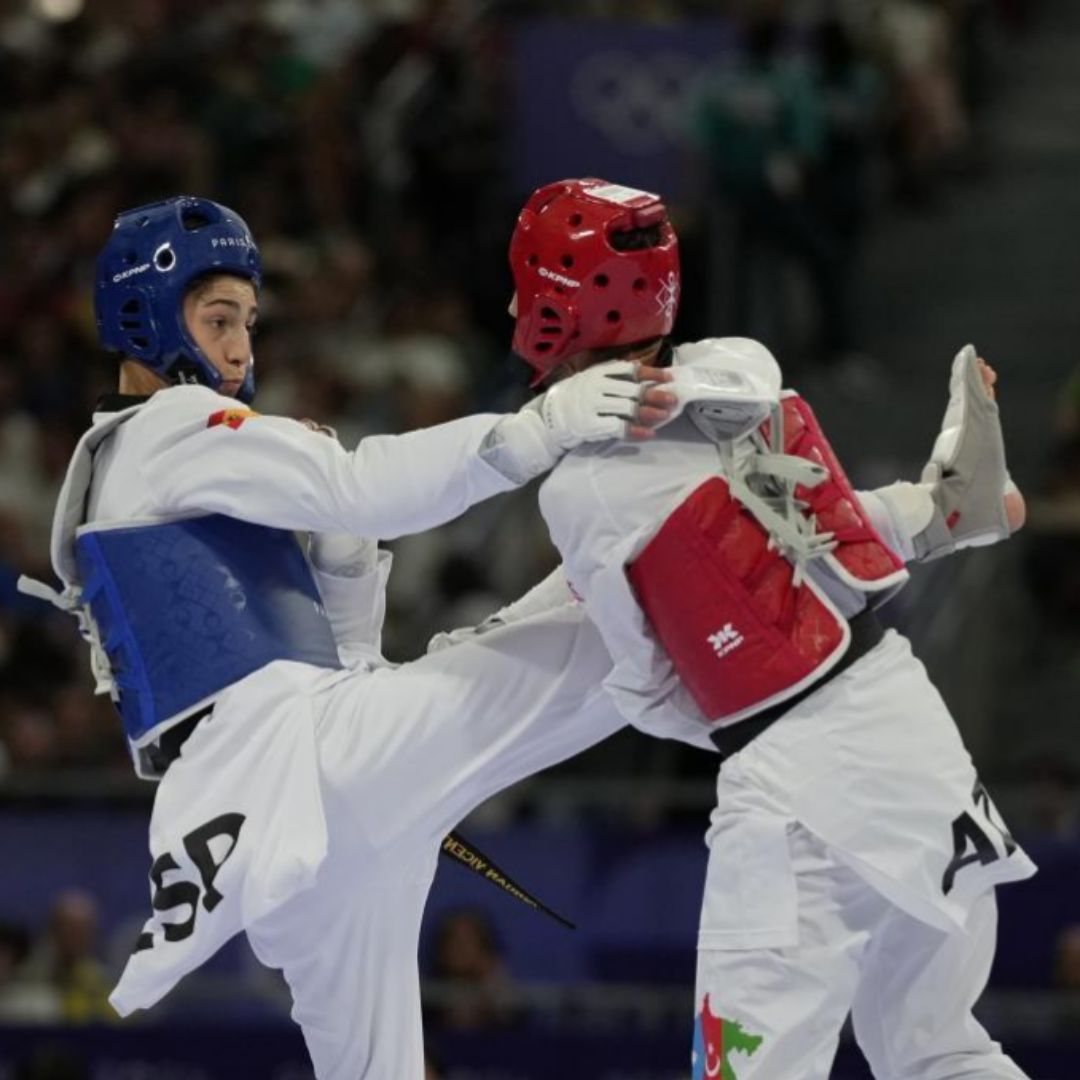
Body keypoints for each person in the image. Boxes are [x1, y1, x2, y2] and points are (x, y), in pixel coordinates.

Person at [17, 195, 681, 1079]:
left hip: (298, 825)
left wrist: (345, 565)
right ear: (143, 315)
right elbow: (367, 482)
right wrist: (540, 430)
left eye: (249, 322)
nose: (242, 348)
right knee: (624, 621)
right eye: (218, 319)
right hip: (313, 763)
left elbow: (347, 660)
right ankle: (772, 587)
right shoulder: (168, 427)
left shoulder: (141, 464)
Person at [503, 178, 1034, 1079]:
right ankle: (940, 508)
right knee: (936, 1046)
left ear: (558, 304)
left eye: (524, 287)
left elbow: (642, 664)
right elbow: (790, 538)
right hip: (909, 726)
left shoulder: (580, 483)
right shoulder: (738, 372)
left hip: (795, 781)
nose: (513, 305)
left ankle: (943, 510)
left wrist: (672, 709)